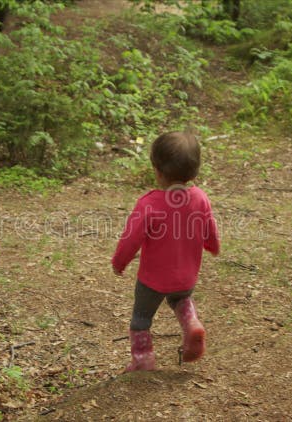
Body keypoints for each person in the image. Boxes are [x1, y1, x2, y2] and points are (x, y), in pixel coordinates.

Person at [112, 131, 220, 372]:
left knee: (141, 320)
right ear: (195, 170)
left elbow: (131, 239)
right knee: (180, 299)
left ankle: (143, 359)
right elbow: (209, 227)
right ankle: (191, 323)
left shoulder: (149, 204)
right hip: (186, 278)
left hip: (152, 280)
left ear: (157, 171)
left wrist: (119, 262)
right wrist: (213, 246)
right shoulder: (201, 198)